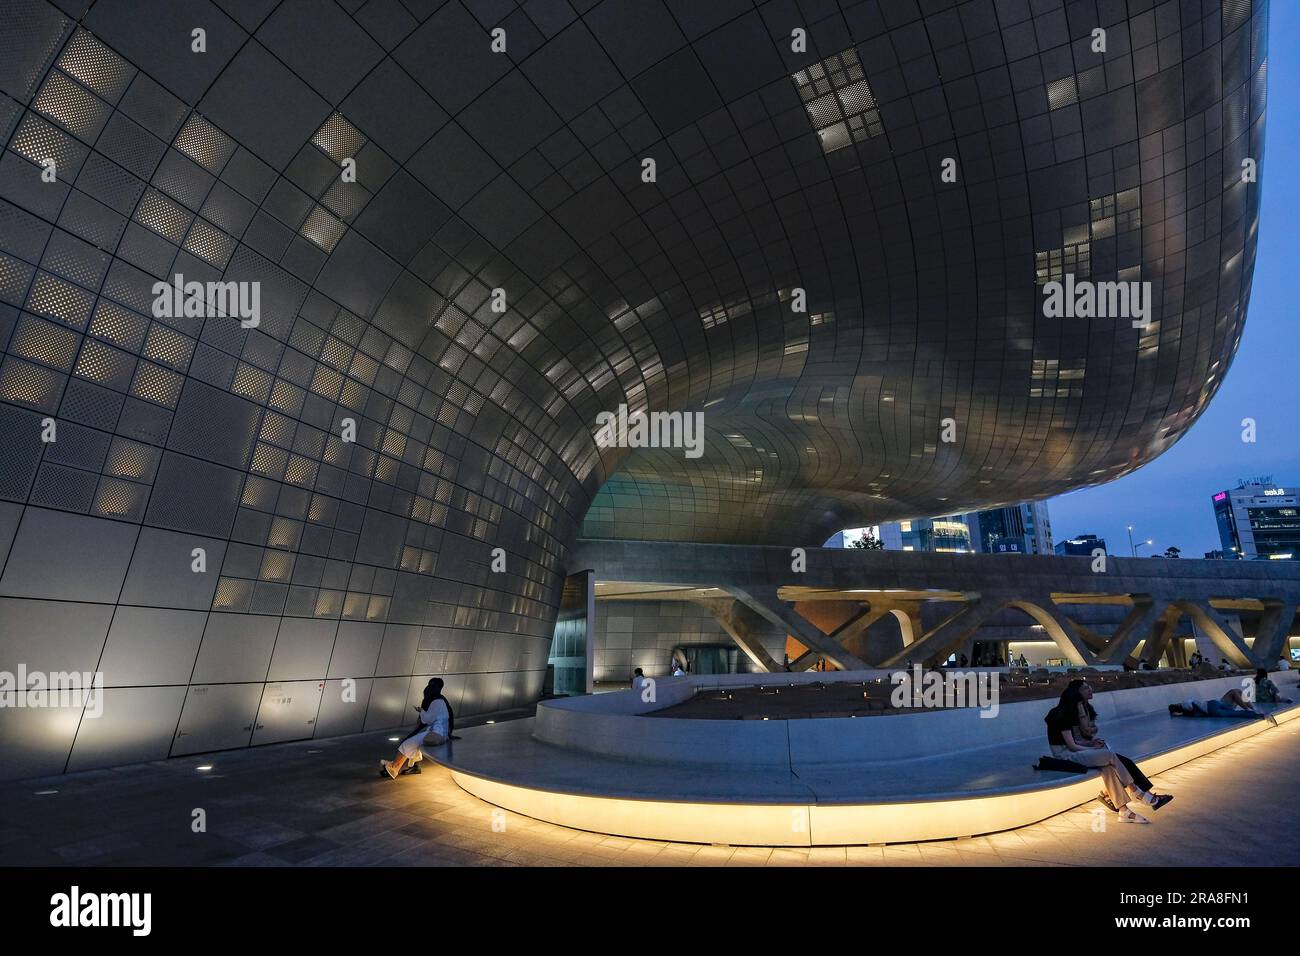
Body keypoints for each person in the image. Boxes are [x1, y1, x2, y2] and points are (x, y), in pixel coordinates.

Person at [1044, 683, 1160, 824]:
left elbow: (1075, 741)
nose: (1080, 708)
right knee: (1109, 755)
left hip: (1072, 751)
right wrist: (1094, 749)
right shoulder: (1061, 715)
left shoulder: (1068, 712)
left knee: (1107, 767)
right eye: (1079, 703)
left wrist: (1091, 744)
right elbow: (1072, 746)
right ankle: (1135, 790)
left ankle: (1124, 811)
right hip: (1065, 756)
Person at [1064, 679, 1172, 813]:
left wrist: (1091, 734)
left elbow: (1091, 729)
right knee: (1123, 763)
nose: (1090, 689)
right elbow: (1078, 737)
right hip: (1083, 751)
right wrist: (1090, 739)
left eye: (1089, 687)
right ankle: (1144, 796)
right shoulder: (1072, 710)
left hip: (1092, 746)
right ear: (1077, 692)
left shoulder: (1086, 707)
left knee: (1122, 763)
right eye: (1086, 688)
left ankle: (1109, 795)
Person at [380, 678, 453, 779]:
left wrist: (421, 711)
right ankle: (410, 766)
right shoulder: (440, 699)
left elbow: (427, 720)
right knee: (414, 742)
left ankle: (394, 768)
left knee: (407, 743)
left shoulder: (436, 701)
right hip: (438, 733)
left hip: (436, 734)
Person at [1170, 688, 1277, 725]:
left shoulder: (1185, 710)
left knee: (1236, 712)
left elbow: (1192, 711)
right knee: (1235, 692)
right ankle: (1252, 708)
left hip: (1213, 709)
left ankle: (1257, 713)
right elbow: (1191, 704)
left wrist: (1179, 713)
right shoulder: (1185, 704)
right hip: (1213, 704)